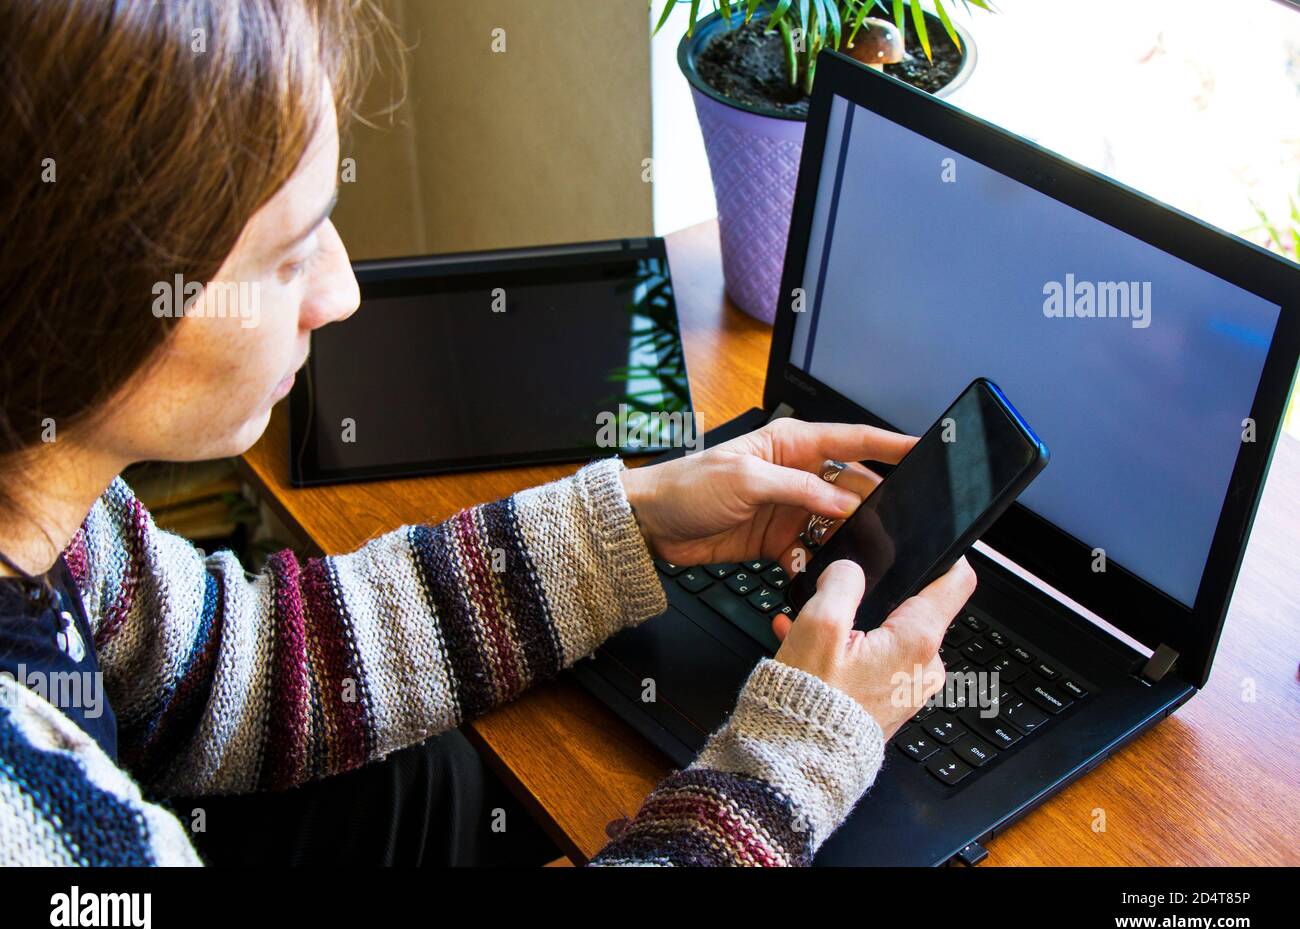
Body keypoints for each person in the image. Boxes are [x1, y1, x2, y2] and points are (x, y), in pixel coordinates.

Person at [0, 0, 975, 867]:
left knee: (432, 781)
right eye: (292, 253)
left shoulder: (49, 510)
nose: (340, 294)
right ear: (74, 293)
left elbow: (220, 674)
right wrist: (793, 758)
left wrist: (626, 525)